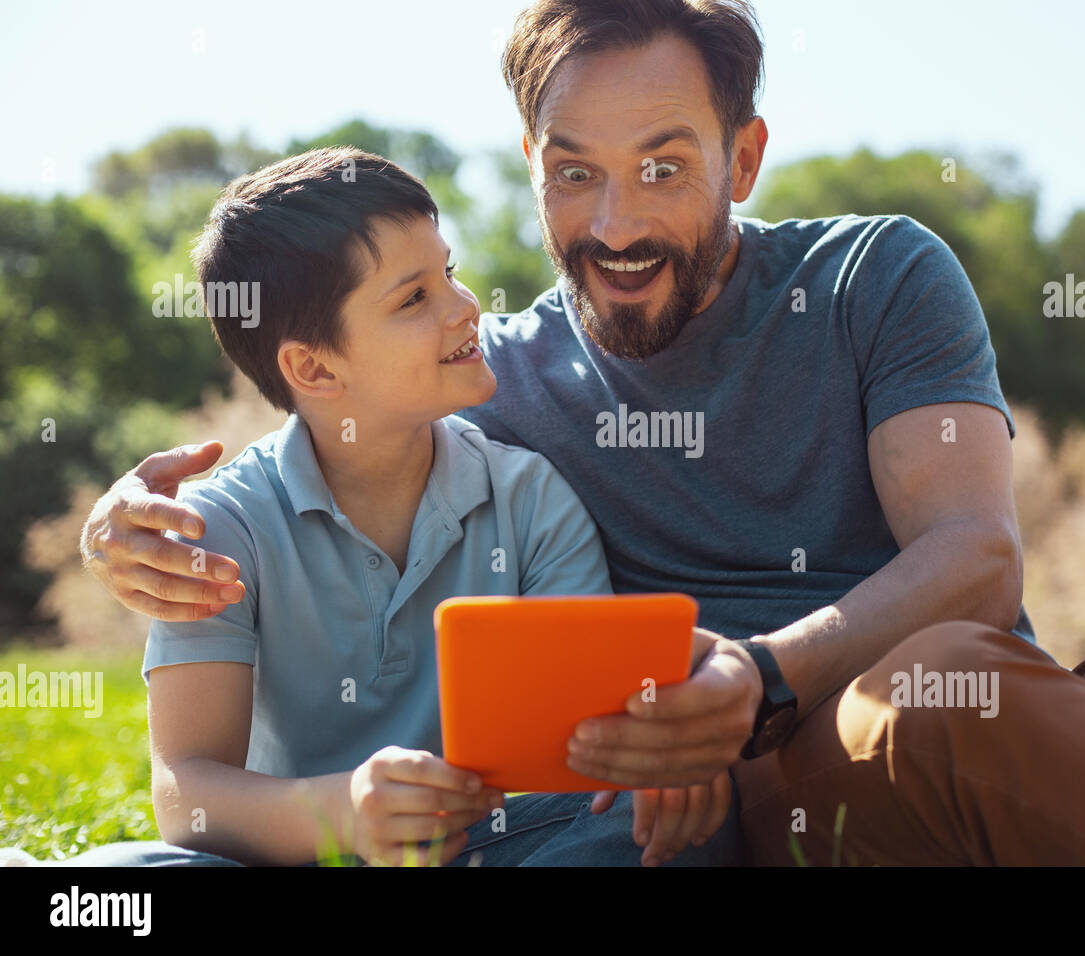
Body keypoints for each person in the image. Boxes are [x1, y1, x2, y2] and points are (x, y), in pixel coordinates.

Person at [79, 0, 1085, 865]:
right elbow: (327, 405)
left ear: (745, 157)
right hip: (783, 792)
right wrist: (124, 517)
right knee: (948, 698)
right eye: (574, 172)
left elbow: (976, 565)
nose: (614, 223)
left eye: (663, 167)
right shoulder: (488, 373)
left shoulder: (876, 274)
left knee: (994, 684)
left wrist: (761, 669)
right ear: (531, 167)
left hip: (1018, 717)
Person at [44, 147, 743, 868]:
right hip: (298, 853)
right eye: (414, 298)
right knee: (118, 877)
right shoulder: (221, 529)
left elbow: (592, 734)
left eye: (450, 274)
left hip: (492, 847)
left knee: (665, 823)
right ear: (314, 368)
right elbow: (185, 793)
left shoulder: (530, 500)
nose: (466, 307)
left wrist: (656, 760)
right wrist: (344, 815)